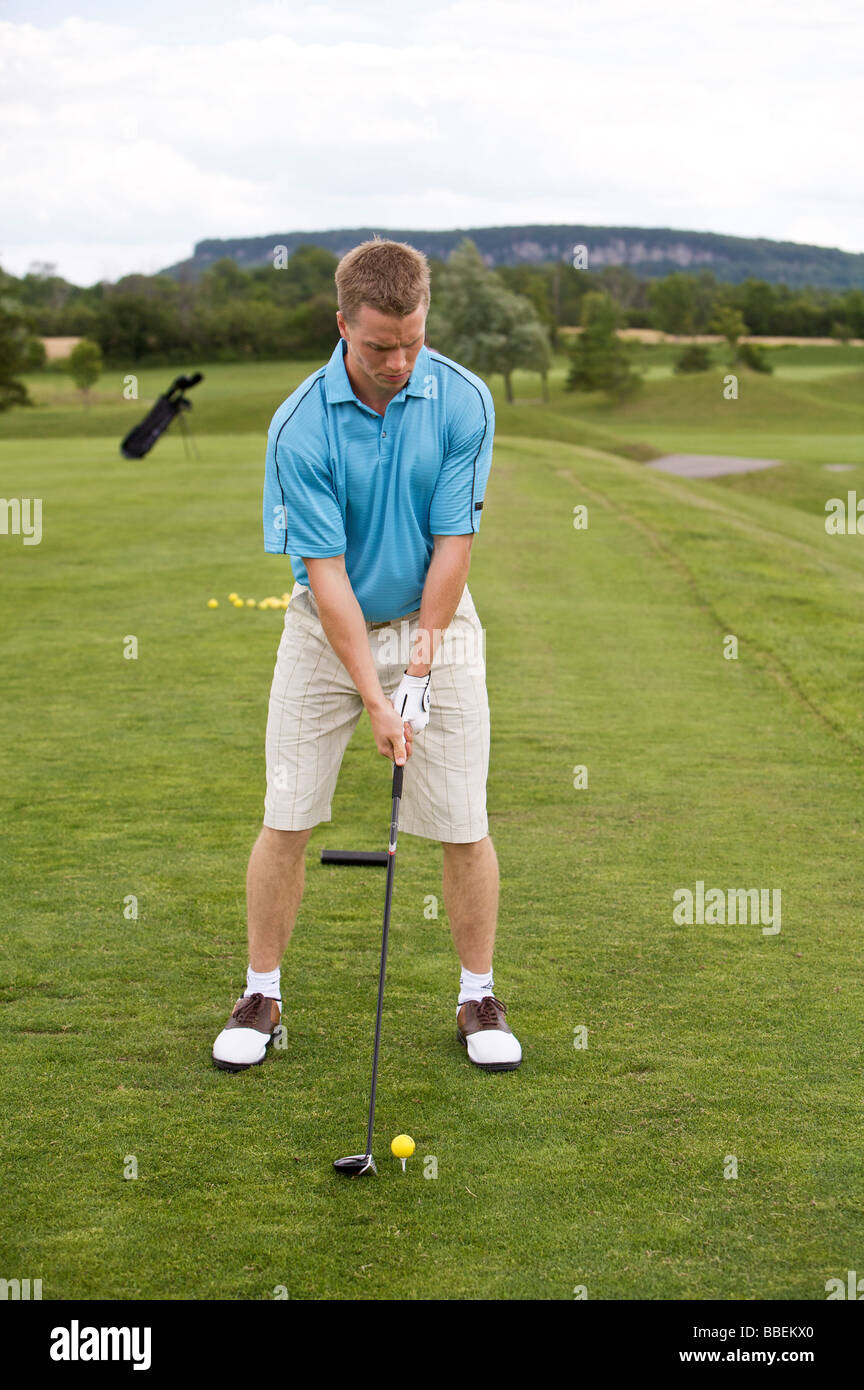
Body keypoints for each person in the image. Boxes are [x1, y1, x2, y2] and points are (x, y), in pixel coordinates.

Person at [212, 237, 521, 1075]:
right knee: (287, 814)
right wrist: (379, 698)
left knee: (463, 821)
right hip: (326, 627)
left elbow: (453, 545)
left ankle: (477, 995)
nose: (398, 360)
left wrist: (418, 670)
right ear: (341, 323)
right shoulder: (299, 425)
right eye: (380, 344)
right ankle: (260, 993)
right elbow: (329, 576)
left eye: (413, 340)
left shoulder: (463, 401)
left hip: (438, 622)